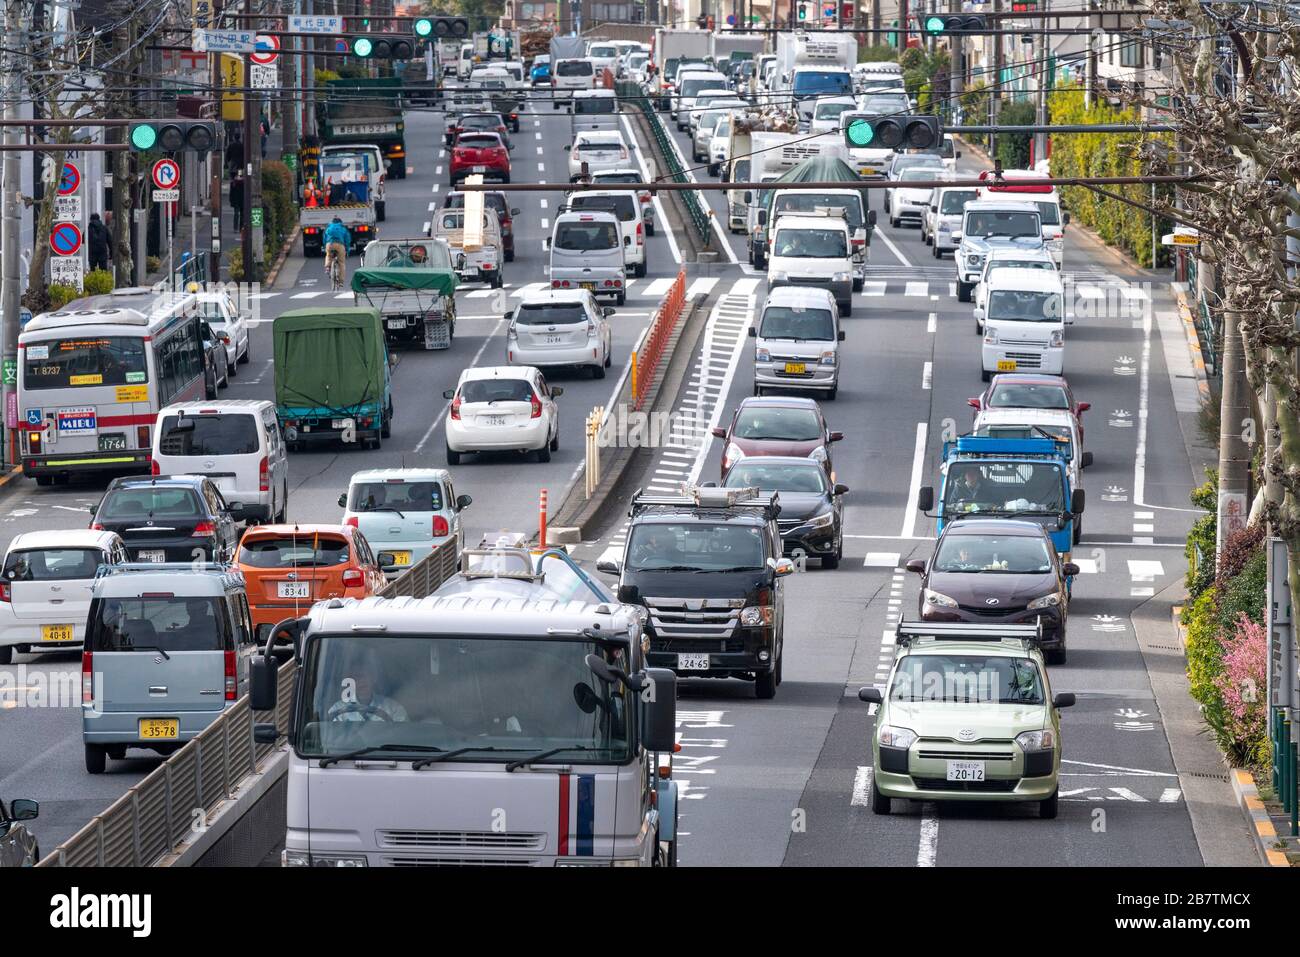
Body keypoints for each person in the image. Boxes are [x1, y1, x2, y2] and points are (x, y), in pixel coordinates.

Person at [327, 649, 409, 723]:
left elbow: (402, 735)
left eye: (362, 676)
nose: (360, 682)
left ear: (374, 678)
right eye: (354, 678)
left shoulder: (393, 708)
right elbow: (331, 738)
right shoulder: (337, 709)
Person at [323, 217, 351, 283]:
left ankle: (327, 267)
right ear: (340, 222)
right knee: (341, 263)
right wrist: (347, 250)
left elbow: (324, 238)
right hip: (340, 245)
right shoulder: (343, 228)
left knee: (328, 256)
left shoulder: (328, 227)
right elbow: (347, 240)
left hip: (330, 244)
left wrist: (325, 246)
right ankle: (341, 281)